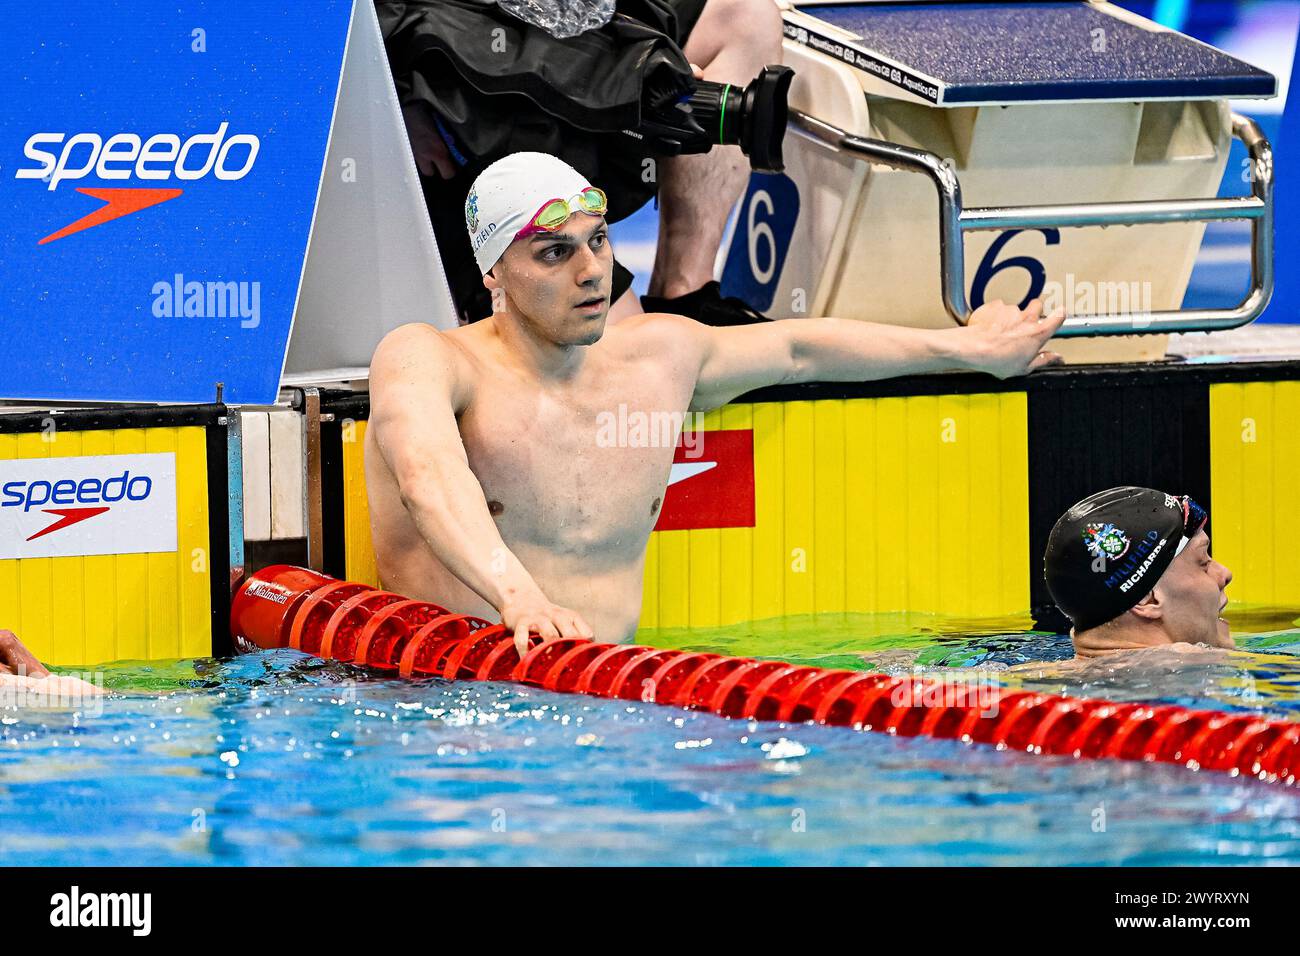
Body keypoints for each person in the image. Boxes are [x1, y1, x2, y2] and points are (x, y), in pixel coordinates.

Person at [365, 151, 1066, 653]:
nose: (591, 272)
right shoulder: (426, 358)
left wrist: (964, 349)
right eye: (554, 254)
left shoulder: (655, 358)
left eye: (599, 242)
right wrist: (515, 597)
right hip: (450, 706)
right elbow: (430, 478)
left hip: (611, 704)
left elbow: (800, 351)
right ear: (493, 269)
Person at [379, 0, 785, 326]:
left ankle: (685, 293)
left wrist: (648, 53)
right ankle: (493, 297)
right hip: (445, 96)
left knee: (745, 15)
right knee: (627, 353)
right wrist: (394, 95)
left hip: (556, 54)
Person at [1043, 486, 1235, 659]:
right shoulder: (1188, 669)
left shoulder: (1038, 680)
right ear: (1147, 599)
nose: (1225, 574)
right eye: (1203, 563)